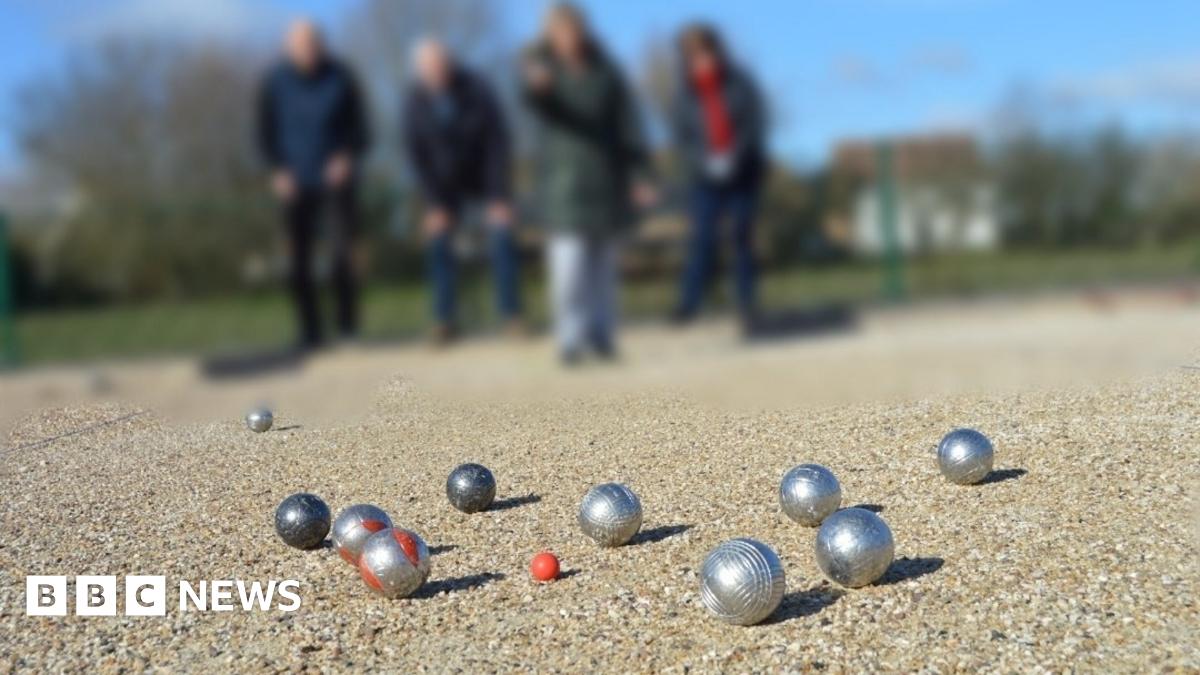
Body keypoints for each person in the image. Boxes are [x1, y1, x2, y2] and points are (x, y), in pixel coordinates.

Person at [522, 3, 655, 365]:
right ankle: (569, 338)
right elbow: (533, 97)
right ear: (551, 35)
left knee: (602, 269)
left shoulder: (607, 70)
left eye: (573, 31)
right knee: (568, 269)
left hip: (605, 178)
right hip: (563, 183)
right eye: (560, 32)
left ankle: (602, 335)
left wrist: (641, 173)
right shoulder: (542, 67)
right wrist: (539, 78)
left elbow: (629, 124)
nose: (569, 39)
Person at [257, 19, 369, 351]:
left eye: (312, 43)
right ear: (288, 47)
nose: (307, 49)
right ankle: (309, 331)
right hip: (295, 182)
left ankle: (347, 327)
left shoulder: (342, 76)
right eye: (300, 44)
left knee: (341, 255)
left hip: (336, 179)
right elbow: (265, 132)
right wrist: (278, 170)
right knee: (298, 261)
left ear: (321, 45)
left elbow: (361, 127)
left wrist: (346, 156)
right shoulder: (274, 82)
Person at [403, 39, 522, 345]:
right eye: (428, 68)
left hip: (484, 176)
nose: (436, 73)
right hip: (443, 185)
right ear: (420, 71)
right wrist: (433, 205)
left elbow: (498, 141)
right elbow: (417, 157)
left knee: (502, 230)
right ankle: (444, 320)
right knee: (438, 236)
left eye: (441, 65)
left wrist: (500, 196)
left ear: (450, 64)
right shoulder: (414, 101)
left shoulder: (477, 87)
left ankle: (511, 315)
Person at [669, 23, 767, 324]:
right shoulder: (683, 94)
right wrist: (703, 163)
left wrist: (736, 156)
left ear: (716, 51)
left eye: (705, 52)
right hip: (703, 178)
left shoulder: (740, 83)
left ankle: (746, 301)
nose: (701, 59)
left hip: (742, 171)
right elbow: (682, 138)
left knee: (741, 234)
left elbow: (754, 123)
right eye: (693, 54)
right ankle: (689, 304)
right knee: (703, 239)